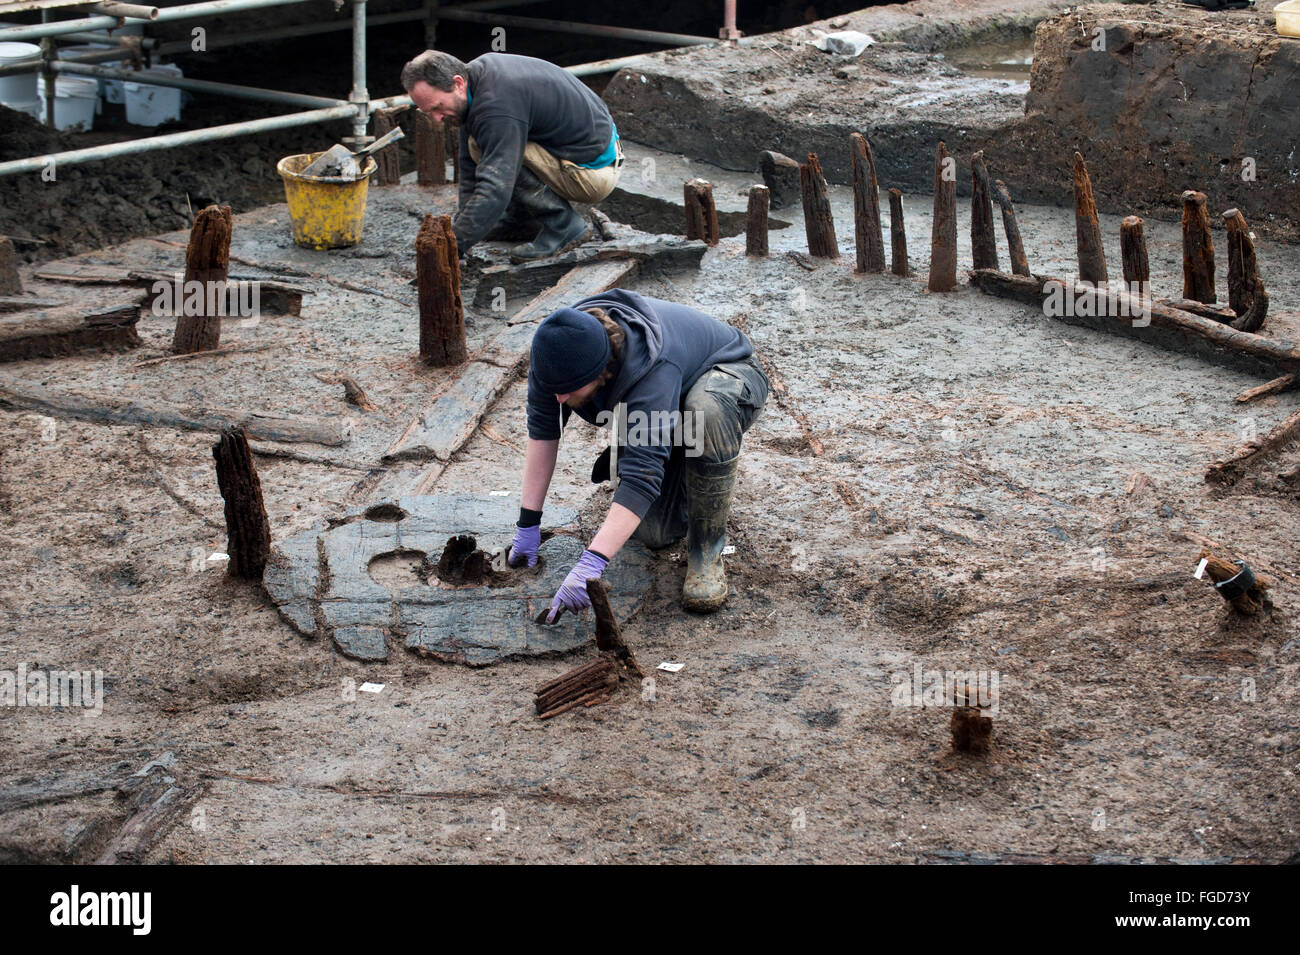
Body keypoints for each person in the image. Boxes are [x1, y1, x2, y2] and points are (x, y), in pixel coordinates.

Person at [505, 289, 770, 617]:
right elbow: (544, 433)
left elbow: (642, 477)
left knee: (705, 412)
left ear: (602, 369)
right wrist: (528, 524)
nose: (559, 399)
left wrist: (592, 562)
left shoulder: (650, 367)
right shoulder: (556, 354)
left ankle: (706, 549)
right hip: (664, 404)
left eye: (570, 391)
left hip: (729, 372)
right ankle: (667, 446)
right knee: (653, 533)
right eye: (554, 391)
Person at [399, 49, 624, 262]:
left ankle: (563, 226)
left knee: (498, 154)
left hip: (594, 172)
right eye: (429, 112)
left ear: (457, 83)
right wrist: (461, 232)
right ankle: (521, 222)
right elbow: (469, 169)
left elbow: (495, 187)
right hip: (583, 148)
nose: (437, 119)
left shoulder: (496, 106)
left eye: (438, 107)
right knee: (481, 146)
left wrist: (450, 248)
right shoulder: (476, 81)